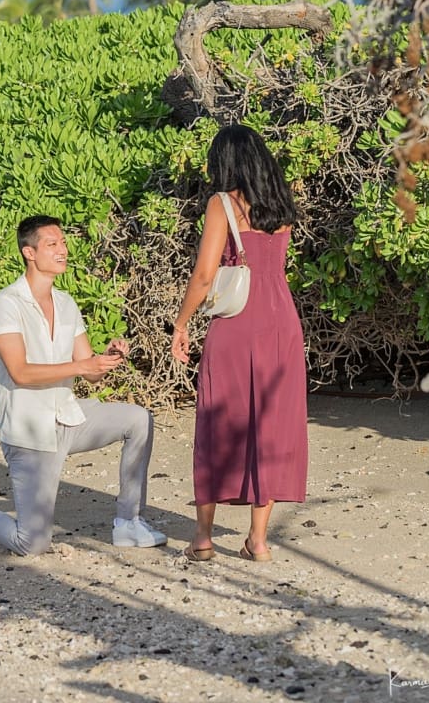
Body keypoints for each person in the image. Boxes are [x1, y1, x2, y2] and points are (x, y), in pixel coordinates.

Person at [0, 214, 167, 557]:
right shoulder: (6, 303)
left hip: (69, 419)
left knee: (138, 419)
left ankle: (129, 523)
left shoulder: (66, 303)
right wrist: (82, 365)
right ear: (29, 252)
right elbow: (20, 372)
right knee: (31, 543)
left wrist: (106, 358)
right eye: (52, 244)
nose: (63, 249)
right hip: (30, 434)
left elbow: (89, 372)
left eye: (63, 242)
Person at [171, 125, 308, 562]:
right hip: (282, 320)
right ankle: (259, 541)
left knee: (218, 418)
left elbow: (205, 274)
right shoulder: (281, 204)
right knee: (271, 423)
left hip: (236, 323)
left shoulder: (222, 203)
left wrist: (181, 321)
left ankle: (204, 538)